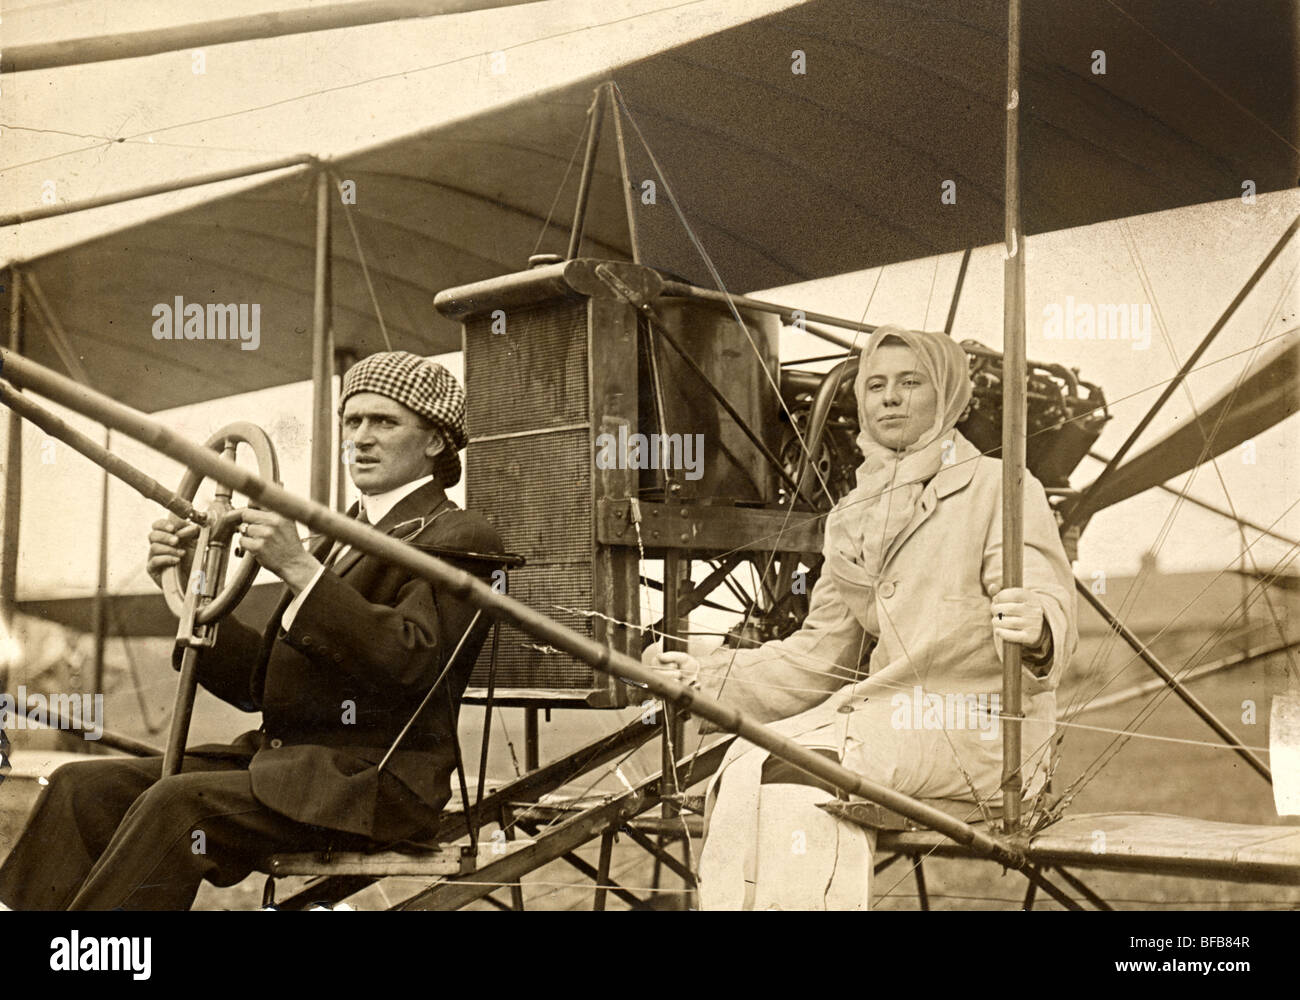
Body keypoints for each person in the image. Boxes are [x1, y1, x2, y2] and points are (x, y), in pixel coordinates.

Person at [0, 351, 503, 910]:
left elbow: (411, 664)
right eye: (352, 421)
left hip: (374, 786)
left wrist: (300, 570)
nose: (361, 438)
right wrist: (191, 588)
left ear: (436, 442)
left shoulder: (459, 533)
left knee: (178, 805)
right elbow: (255, 686)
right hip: (291, 769)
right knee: (79, 788)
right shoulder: (337, 539)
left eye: (385, 422)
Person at [653, 325, 1077, 910]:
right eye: (875, 385)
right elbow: (816, 658)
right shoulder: (852, 512)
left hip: (985, 735)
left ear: (949, 396)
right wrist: (703, 676)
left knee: (799, 772)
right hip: (887, 728)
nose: (890, 397)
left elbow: (1045, 596)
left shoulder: (999, 488)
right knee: (747, 763)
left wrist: (1038, 629)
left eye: (911, 382)